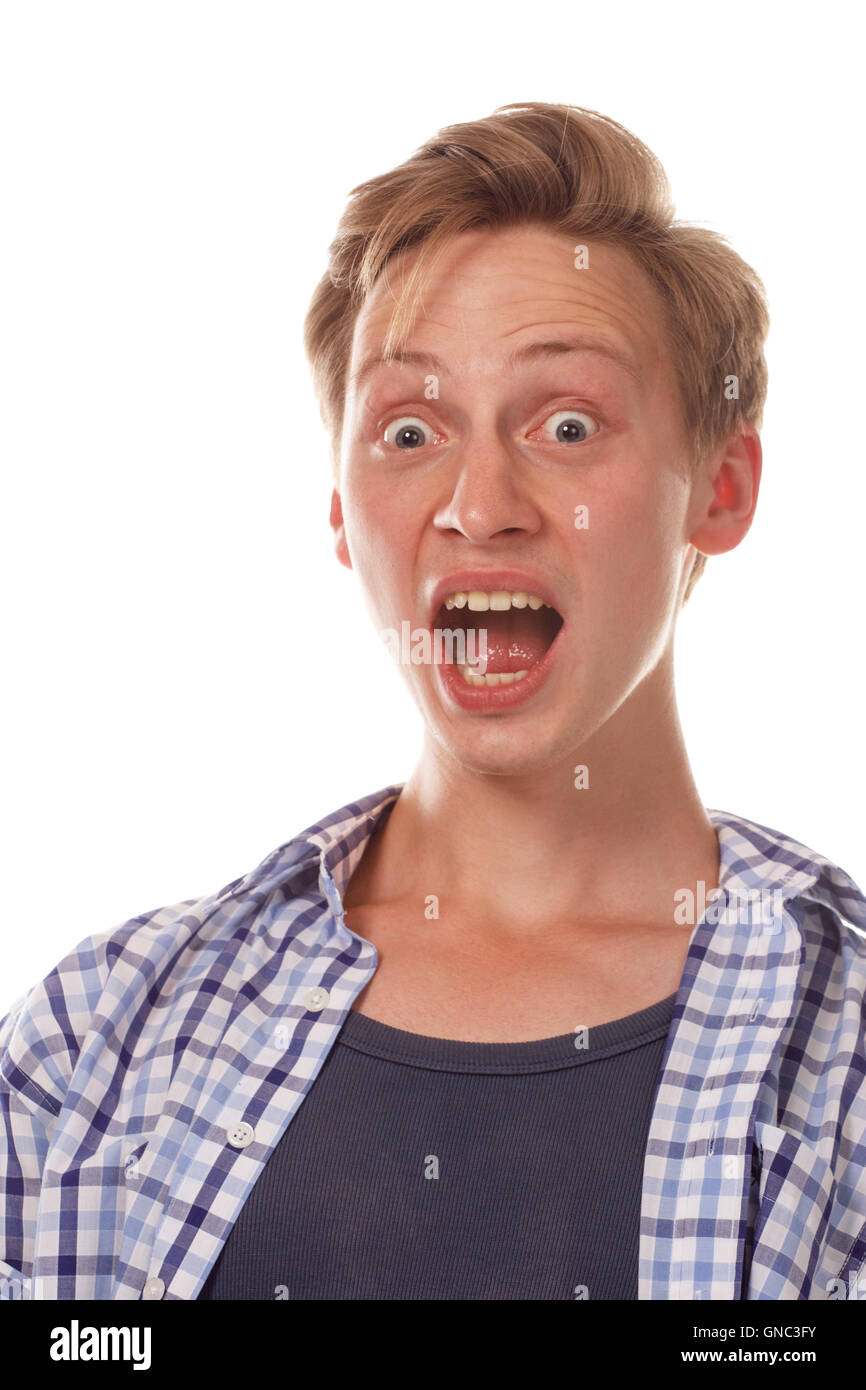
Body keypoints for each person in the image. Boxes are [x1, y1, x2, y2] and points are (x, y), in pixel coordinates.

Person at [2, 102, 864, 1303]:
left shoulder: (847, 1054)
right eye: (409, 428)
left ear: (717, 486)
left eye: (566, 423)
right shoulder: (95, 1037)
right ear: (344, 516)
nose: (478, 501)